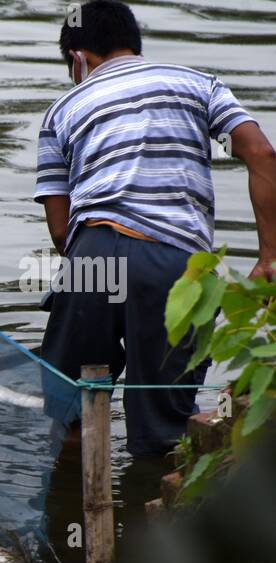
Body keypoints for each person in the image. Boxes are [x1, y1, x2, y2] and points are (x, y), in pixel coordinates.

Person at [35, 0, 276, 456]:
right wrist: (269, 258)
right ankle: (151, 508)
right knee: (164, 433)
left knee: (72, 412)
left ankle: (69, 510)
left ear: (78, 59)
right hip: (173, 264)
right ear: (133, 44)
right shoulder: (197, 85)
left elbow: (60, 231)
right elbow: (261, 154)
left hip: (91, 257)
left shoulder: (61, 110)